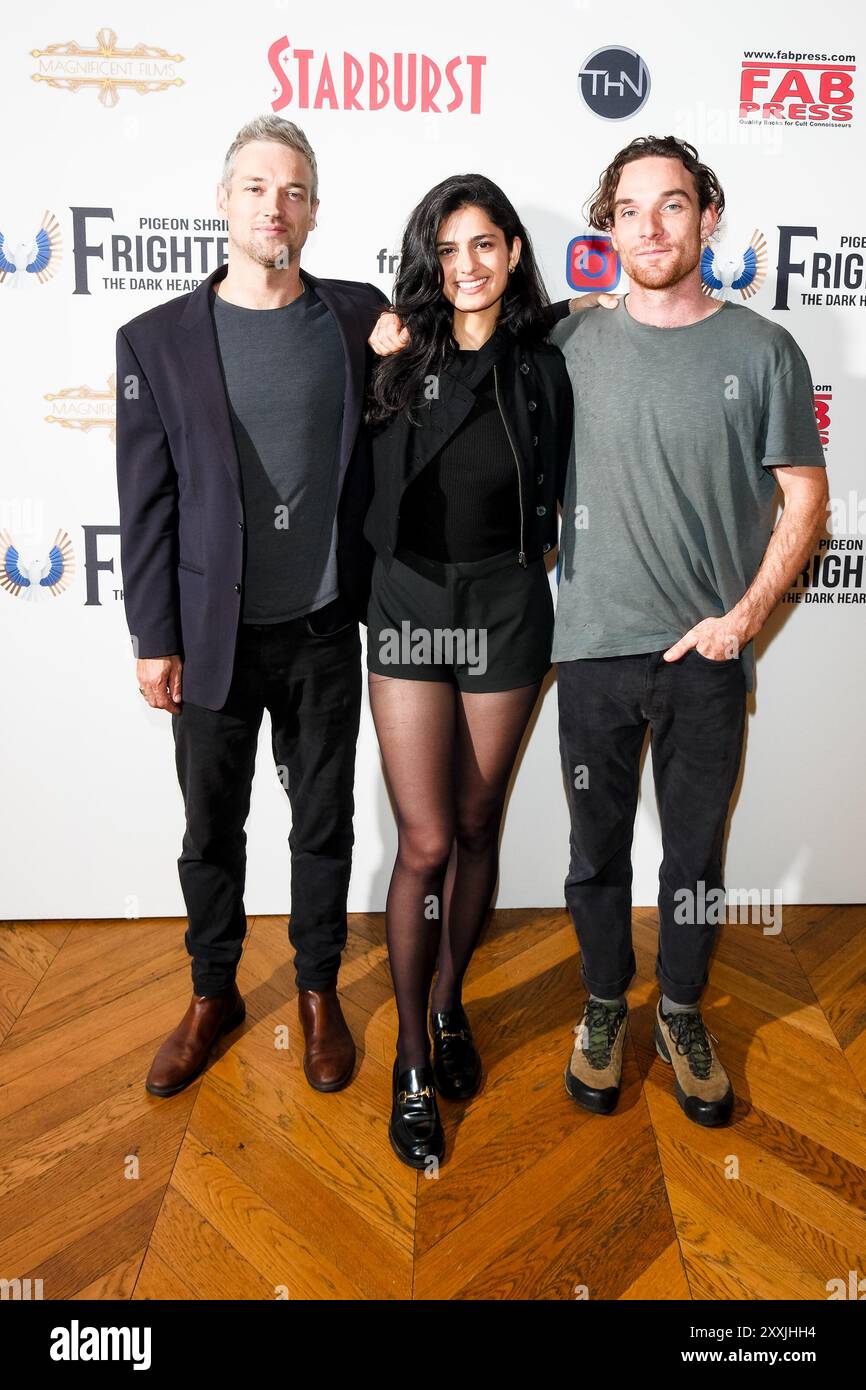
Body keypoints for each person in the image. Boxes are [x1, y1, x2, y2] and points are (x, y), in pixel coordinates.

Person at [550, 136, 828, 1127]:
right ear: (608, 224)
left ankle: (677, 1009)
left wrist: (743, 619)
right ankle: (599, 1004)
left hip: (705, 660)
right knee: (592, 854)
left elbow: (804, 497)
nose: (649, 227)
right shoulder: (567, 344)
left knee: (695, 860)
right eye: (628, 209)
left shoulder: (760, 352)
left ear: (707, 216)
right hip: (585, 654)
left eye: (671, 205)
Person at [115, 115, 388, 1099]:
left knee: (322, 822)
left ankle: (317, 989)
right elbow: (144, 503)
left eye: (296, 190)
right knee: (210, 829)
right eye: (258, 187)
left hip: (322, 629)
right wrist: (154, 637)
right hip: (210, 639)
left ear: (314, 210)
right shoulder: (154, 341)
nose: (277, 205)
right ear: (223, 202)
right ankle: (211, 993)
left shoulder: (361, 317)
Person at [363, 174, 574, 1167]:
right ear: (428, 262)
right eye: (446, 252)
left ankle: (449, 1008)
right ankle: (411, 1061)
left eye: (483, 245)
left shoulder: (545, 364)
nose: (466, 268)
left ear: (514, 252)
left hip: (502, 607)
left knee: (479, 825)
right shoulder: (395, 353)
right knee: (424, 840)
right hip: (409, 603)